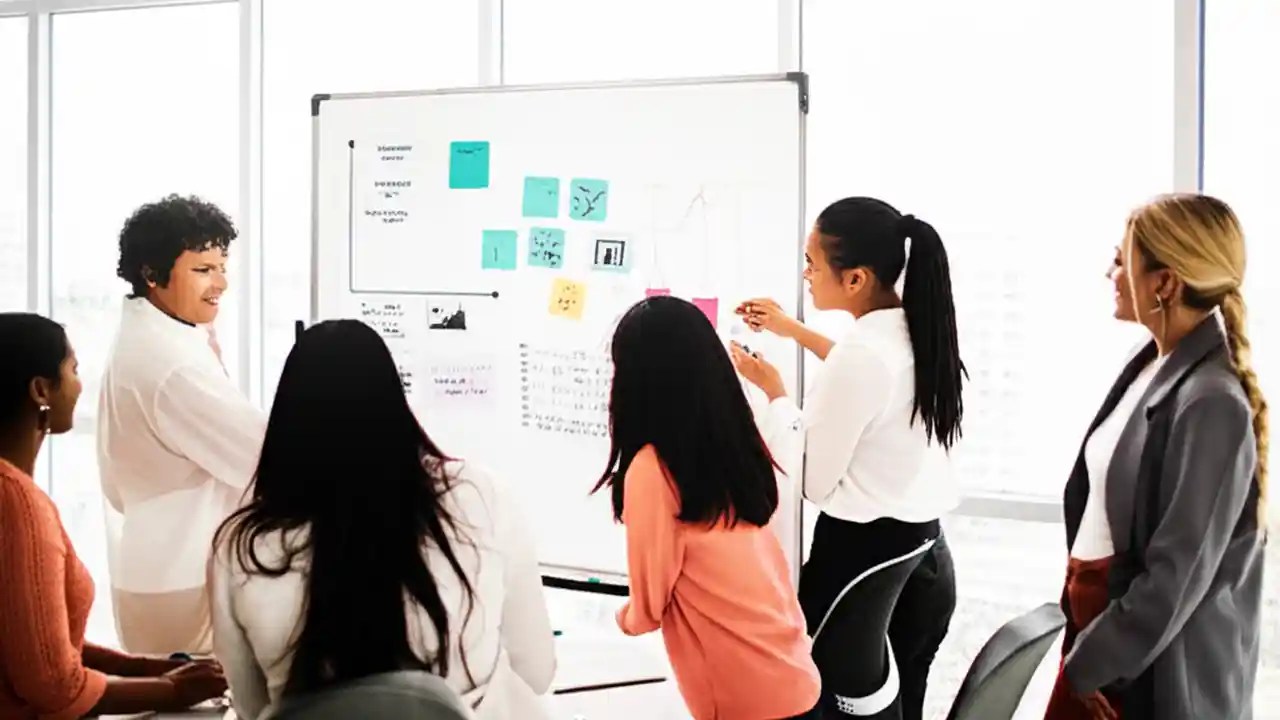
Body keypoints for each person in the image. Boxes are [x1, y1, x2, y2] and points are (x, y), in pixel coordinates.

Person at [209, 319, 556, 720]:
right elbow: (536, 671)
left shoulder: (244, 546)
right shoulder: (480, 497)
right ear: (394, 402)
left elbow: (254, 709)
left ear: (287, 418)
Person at [730, 197, 960, 719]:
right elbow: (873, 381)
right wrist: (790, 330)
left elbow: (814, 483)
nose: (805, 274)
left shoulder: (864, 355)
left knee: (814, 695)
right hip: (922, 553)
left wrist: (777, 396)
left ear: (855, 279)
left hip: (861, 561)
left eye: (811, 262)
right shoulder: (916, 330)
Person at [1045, 193, 1267, 720]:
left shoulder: (1212, 399)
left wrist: (1092, 661)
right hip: (1107, 636)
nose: (1110, 273)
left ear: (1164, 283)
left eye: (1122, 259)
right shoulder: (1150, 362)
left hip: (1147, 661)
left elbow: (1177, 574)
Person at [594, 296, 822, 720]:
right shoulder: (735, 440)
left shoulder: (651, 468)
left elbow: (646, 610)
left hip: (743, 695)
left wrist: (616, 619)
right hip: (794, 676)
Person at [0, 313, 228, 718]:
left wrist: (139, 667)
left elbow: (32, 641)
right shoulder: (16, 502)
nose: (79, 385)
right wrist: (169, 692)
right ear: (41, 390)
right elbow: (53, 683)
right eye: (72, 370)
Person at [97, 194, 267, 655]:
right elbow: (268, 458)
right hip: (181, 583)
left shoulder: (152, 334)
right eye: (202, 270)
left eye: (223, 266)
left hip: (157, 572)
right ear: (152, 274)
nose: (221, 283)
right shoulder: (173, 367)